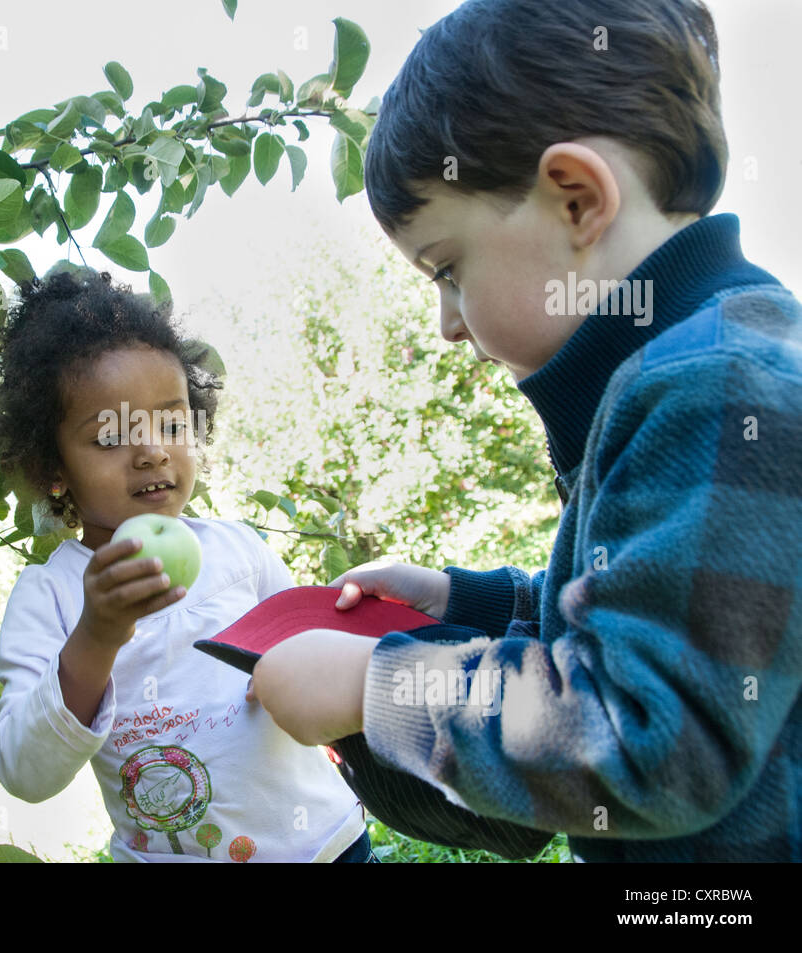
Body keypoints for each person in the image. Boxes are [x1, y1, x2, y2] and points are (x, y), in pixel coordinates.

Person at [250, 0, 801, 862]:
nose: (446, 322)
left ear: (577, 200)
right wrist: (468, 603)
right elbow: (638, 613)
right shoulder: (694, 359)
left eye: (448, 269)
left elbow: (657, 739)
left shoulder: (718, 389)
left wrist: (376, 686)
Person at [0, 264, 372, 862]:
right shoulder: (52, 597)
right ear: (51, 466)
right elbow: (25, 772)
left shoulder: (240, 552)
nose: (151, 451)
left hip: (327, 845)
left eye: (170, 422)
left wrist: (329, 648)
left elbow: (314, 663)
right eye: (110, 437)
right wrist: (98, 633)